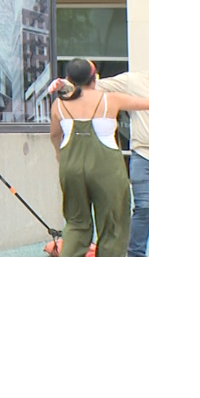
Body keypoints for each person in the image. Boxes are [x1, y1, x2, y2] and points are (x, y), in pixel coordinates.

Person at [49, 59, 148, 258]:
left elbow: (55, 135)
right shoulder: (110, 100)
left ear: (70, 79)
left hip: (71, 167)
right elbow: (144, 103)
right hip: (106, 169)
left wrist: (60, 155)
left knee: (76, 223)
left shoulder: (59, 105)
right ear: (94, 78)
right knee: (113, 223)